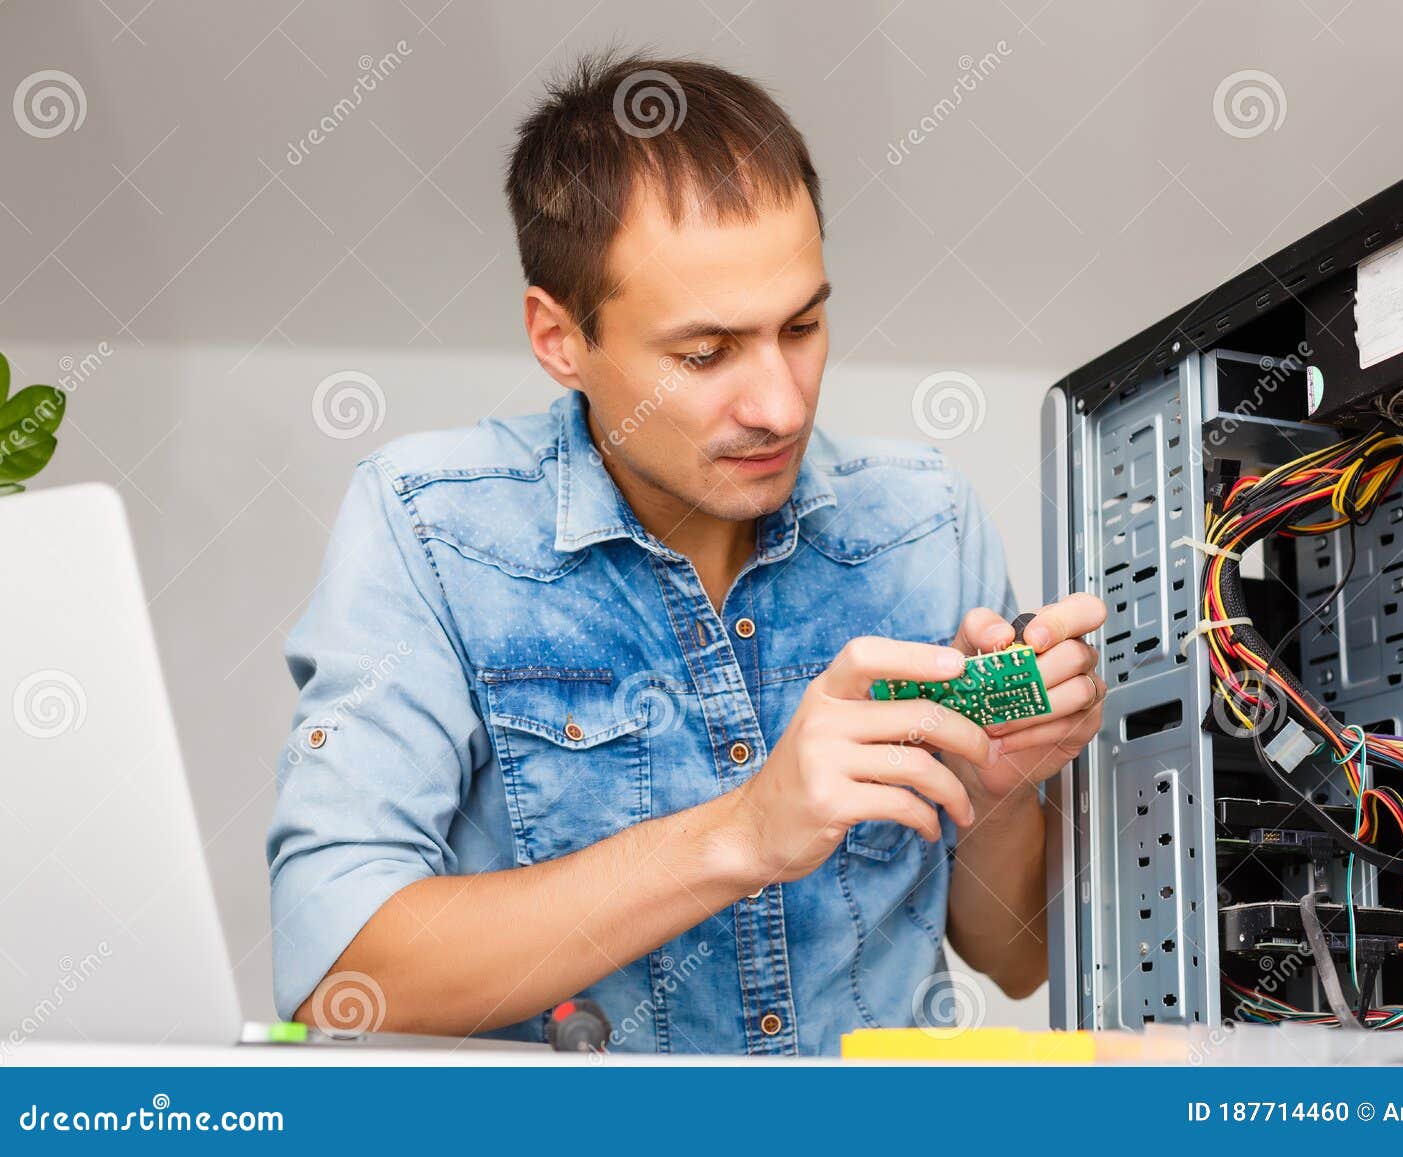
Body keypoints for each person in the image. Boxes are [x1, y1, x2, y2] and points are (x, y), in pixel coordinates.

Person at [266, 51, 1106, 1055]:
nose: (781, 405)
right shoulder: (429, 527)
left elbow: (1015, 958)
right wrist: (741, 832)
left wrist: (1000, 791)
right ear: (558, 336)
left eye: (802, 324)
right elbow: (339, 975)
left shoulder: (925, 519)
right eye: (704, 355)